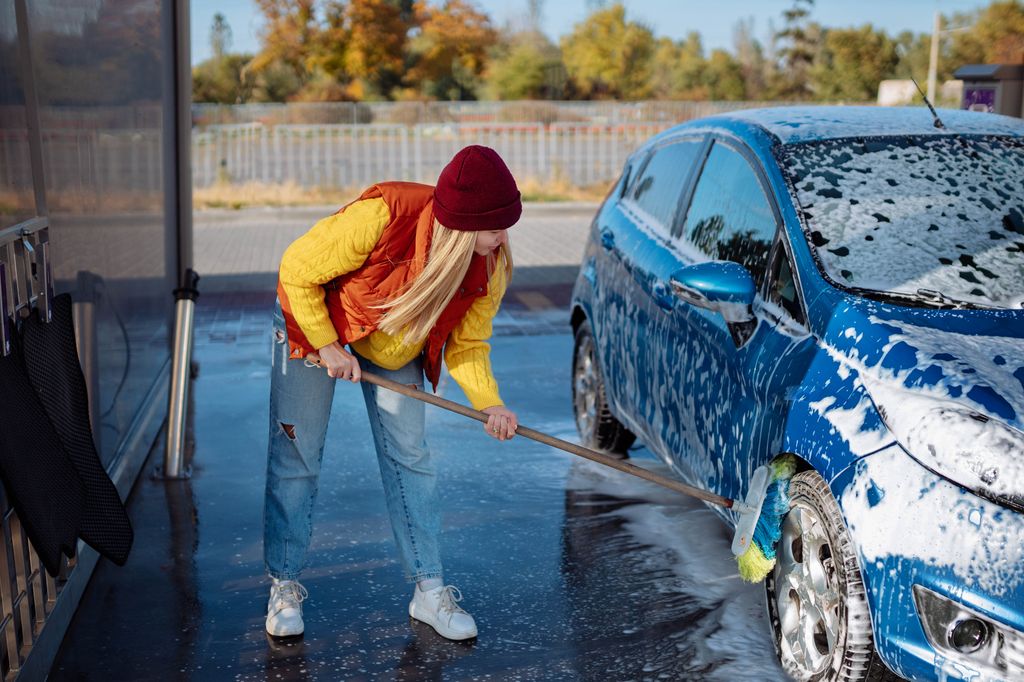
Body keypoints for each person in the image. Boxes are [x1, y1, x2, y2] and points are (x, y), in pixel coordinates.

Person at [263, 145, 521, 642]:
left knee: (410, 457)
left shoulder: (491, 265)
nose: (503, 238)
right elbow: (296, 269)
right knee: (298, 455)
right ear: (463, 227)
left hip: (393, 340)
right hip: (314, 321)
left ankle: (429, 589)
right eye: (495, 229)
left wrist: (489, 403)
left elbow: (468, 344)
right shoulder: (384, 216)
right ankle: (284, 584)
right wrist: (327, 345)